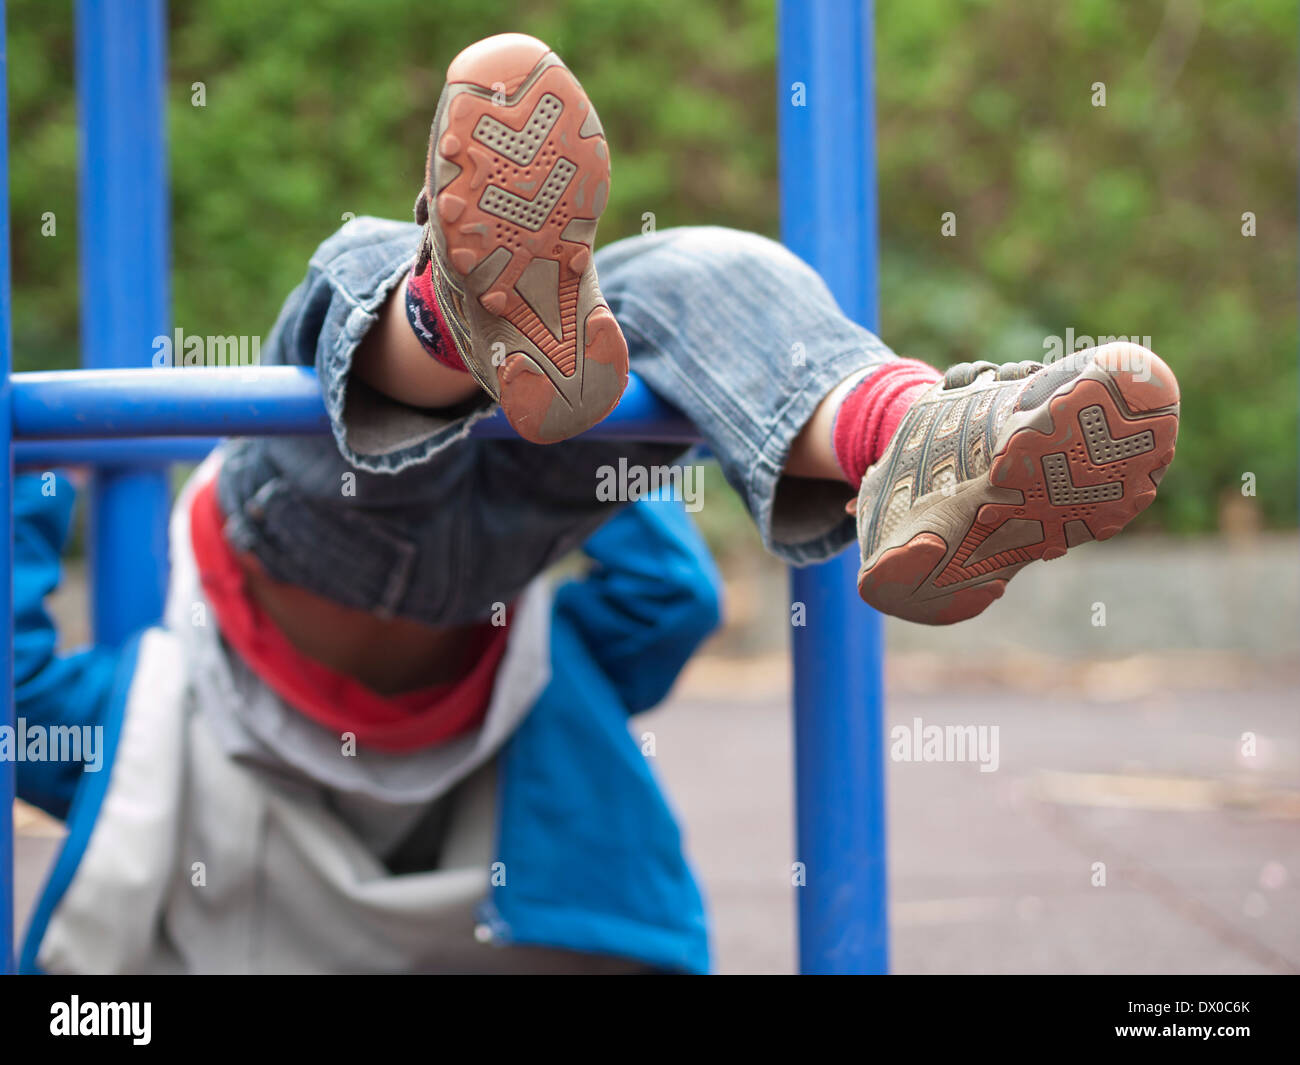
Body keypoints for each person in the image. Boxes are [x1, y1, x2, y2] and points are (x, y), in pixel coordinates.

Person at [16, 32, 1179, 973]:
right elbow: (666, 598)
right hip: (495, 571)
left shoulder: (144, 730)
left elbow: (21, 703)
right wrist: (602, 468)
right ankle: (883, 431)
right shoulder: (551, 727)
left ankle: (452, 321)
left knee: (370, 276)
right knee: (697, 274)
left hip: (322, 537)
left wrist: (25, 456)